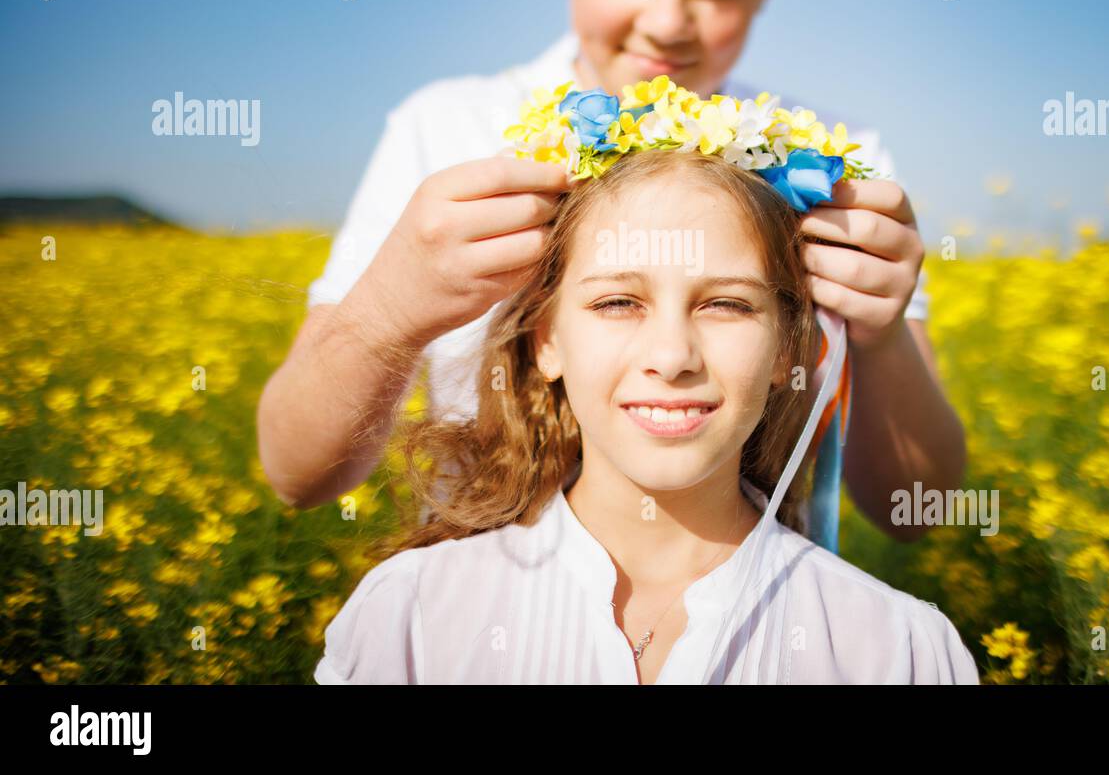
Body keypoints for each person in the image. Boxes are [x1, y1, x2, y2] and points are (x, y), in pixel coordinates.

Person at [257, 0, 967, 543]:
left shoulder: (826, 167)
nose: (666, 21)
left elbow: (918, 508)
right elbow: (297, 472)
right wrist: (386, 310)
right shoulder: (443, 131)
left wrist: (881, 340)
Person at [313, 128, 980, 683]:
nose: (672, 355)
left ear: (787, 349)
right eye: (617, 302)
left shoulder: (900, 651)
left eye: (726, 303)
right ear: (547, 340)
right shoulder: (409, 619)